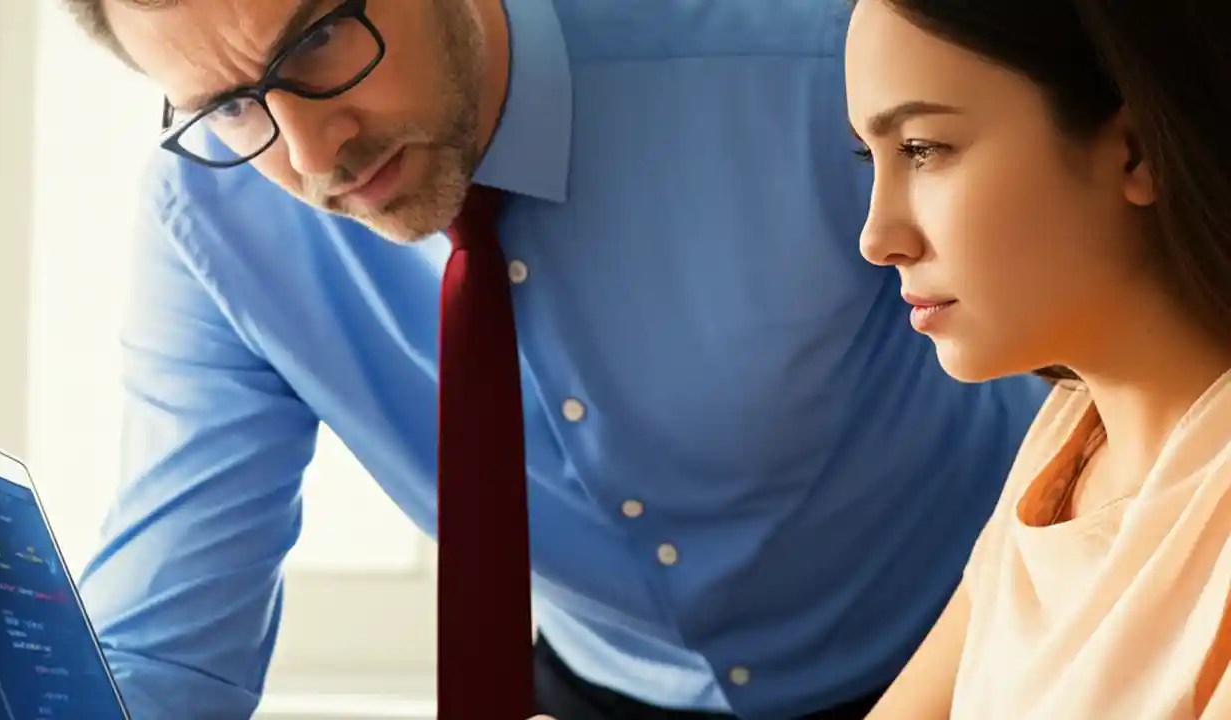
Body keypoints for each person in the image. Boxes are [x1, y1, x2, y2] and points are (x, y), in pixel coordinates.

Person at [60, 0, 1047, 718]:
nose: (314, 154)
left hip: (975, 651)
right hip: (600, 690)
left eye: (319, 36)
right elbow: (165, 642)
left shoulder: (812, 63)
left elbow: (1108, 380)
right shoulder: (212, 219)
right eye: (230, 104)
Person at [846, 0, 1231, 717]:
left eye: (924, 149)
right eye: (871, 158)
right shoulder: (1071, 441)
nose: (878, 236)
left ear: (1137, 149)